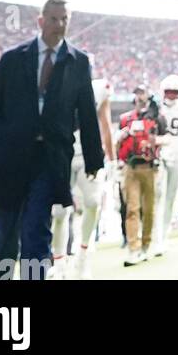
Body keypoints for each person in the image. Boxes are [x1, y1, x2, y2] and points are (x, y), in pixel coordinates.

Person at [0, 0, 105, 280]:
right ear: (41, 20)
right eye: (54, 19)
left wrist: (94, 159)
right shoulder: (13, 58)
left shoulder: (79, 62)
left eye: (65, 20)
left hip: (50, 160)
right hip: (10, 159)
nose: (59, 25)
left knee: (36, 229)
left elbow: (87, 113)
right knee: (6, 230)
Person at [51, 75, 115, 279]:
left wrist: (112, 158)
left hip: (89, 153)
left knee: (93, 201)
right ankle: (59, 260)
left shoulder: (99, 89)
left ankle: (83, 253)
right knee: (59, 212)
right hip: (63, 153)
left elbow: (105, 124)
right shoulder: (53, 86)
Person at [118, 83, 165, 265]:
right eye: (137, 94)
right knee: (132, 208)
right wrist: (122, 137)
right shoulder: (125, 119)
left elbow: (167, 138)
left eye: (142, 93)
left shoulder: (157, 118)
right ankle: (134, 248)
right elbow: (118, 142)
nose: (140, 97)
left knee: (148, 210)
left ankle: (145, 245)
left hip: (150, 167)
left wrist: (154, 141)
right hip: (131, 166)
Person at [151, 73, 178, 257]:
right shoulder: (155, 107)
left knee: (171, 198)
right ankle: (156, 237)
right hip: (158, 156)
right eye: (168, 92)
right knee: (158, 198)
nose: (171, 96)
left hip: (176, 155)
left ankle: (164, 236)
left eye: (175, 92)